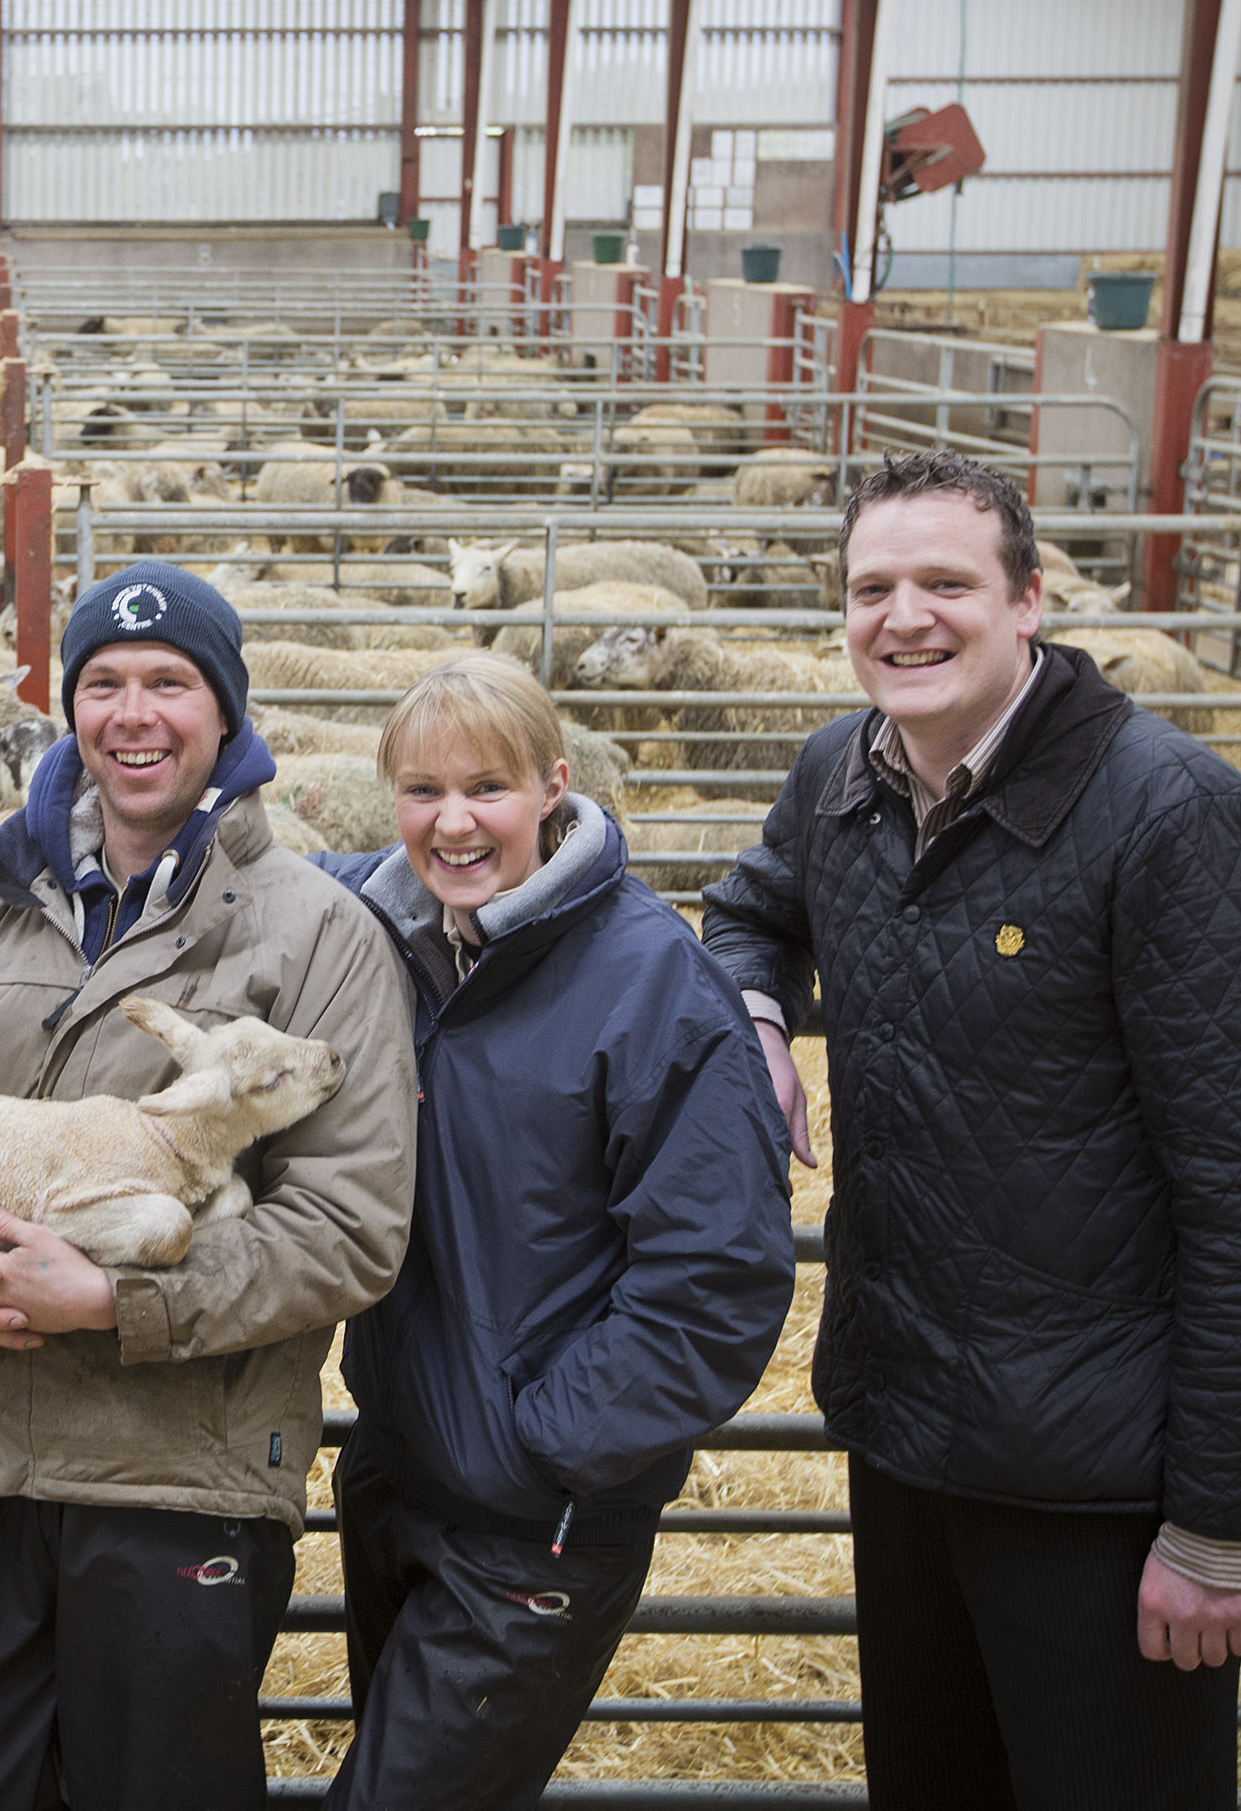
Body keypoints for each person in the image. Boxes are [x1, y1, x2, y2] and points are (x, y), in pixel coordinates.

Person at [700, 451, 1241, 1810]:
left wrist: (1216, 1528)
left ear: (1029, 600)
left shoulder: (1171, 818)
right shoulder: (841, 773)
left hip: (1098, 1486)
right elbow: (749, 909)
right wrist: (754, 1017)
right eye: (872, 587)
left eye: (946, 583)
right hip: (907, 1432)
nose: (904, 617)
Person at [0, 559, 417, 1811]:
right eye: (103, 682)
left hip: (184, 1480)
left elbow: (350, 1228)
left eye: (170, 681)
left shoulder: (317, 932)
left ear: (225, 712)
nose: (133, 712)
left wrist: (113, 1300)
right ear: (70, 708)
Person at [304, 653, 794, 1809]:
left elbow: (716, 1277)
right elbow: (228, 872)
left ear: (553, 788)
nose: (454, 820)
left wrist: (543, 1445)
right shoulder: (385, 942)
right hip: (398, 1472)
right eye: (421, 790)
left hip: (535, 1517)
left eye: (488, 786)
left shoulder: (649, 981)